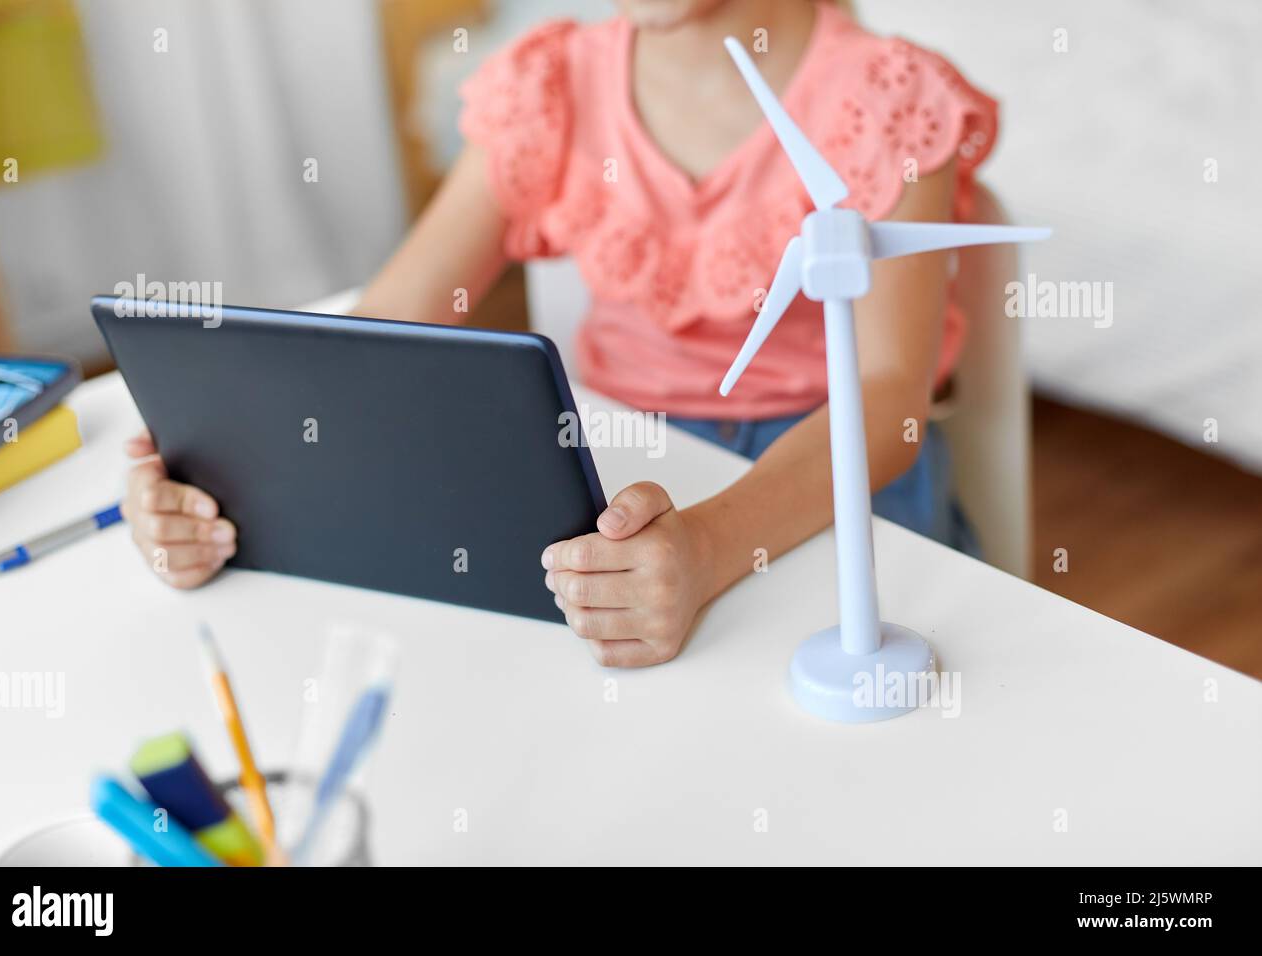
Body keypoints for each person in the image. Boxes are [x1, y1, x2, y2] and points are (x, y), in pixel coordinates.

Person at [121, 0, 998, 667]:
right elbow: (384, 335)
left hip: (830, 478)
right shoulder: (551, 86)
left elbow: (888, 399)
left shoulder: (888, 101)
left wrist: (711, 546)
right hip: (620, 469)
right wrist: (221, 482)